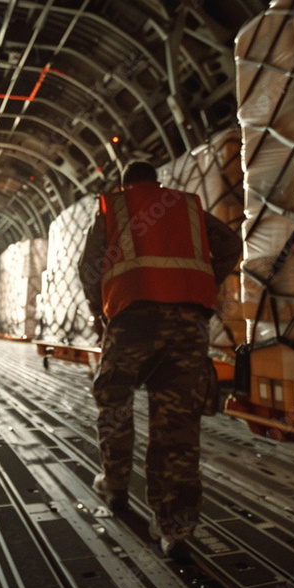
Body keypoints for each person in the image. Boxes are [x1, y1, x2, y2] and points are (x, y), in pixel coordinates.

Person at [77, 160, 241, 556]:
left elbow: (89, 267)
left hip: (132, 318)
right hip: (187, 325)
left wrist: (102, 310)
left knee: (114, 401)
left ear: (124, 182)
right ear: (157, 181)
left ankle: (115, 486)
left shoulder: (113, 207)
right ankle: (175, 528)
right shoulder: (186, 207)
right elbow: (231, 246)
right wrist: (202, 280)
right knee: (177, 425)